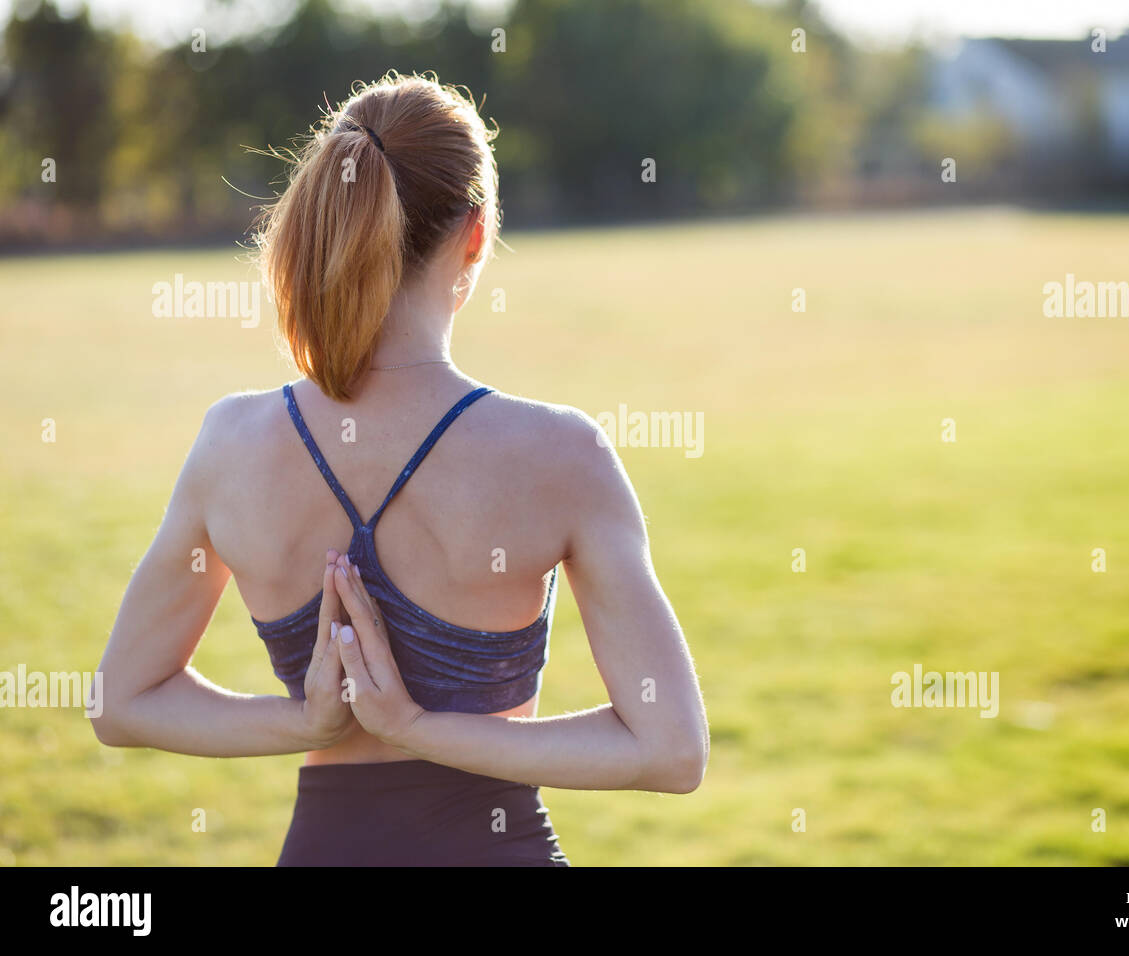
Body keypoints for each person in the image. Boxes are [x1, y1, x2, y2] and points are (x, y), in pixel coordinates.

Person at [93, 71, 709, 866]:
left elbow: (121, 701)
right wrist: (423, 729)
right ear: (476, 235)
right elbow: (671, 751)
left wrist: (306, 722)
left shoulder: (232, 442)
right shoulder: (561, 454)